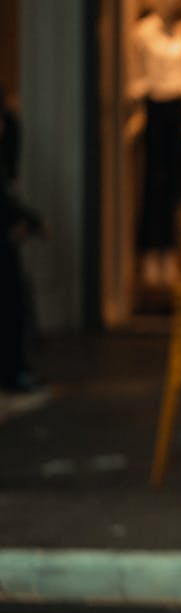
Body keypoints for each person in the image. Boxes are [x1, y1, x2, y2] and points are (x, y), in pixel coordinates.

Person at [127, 0, 181, 288]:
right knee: (153, 182)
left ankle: (168, 254)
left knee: (172, 184)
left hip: (178, 108)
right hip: (155, 107)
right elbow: (136, 75)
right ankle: (149, 254)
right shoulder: (143, 32)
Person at [0, 83, 43, 394]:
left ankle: (15, 369)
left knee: (14, 297)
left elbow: (6, 182)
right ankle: (14, 371)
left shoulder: (11, 123)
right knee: (13, 298)